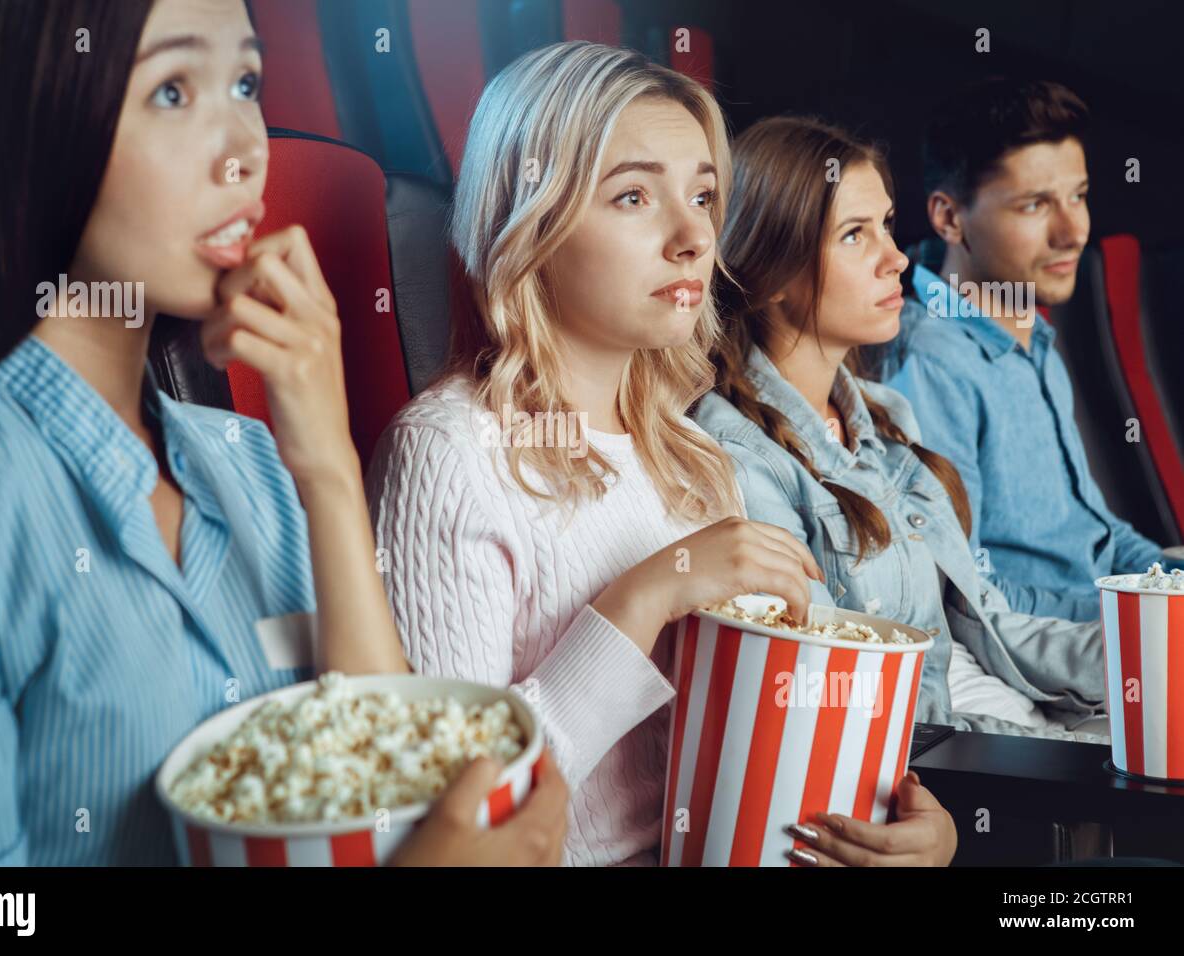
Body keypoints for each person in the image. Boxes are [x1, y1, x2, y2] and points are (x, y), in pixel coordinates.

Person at [0, 0, 566, 867]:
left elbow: (387, 775)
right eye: (173, 91)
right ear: (20, 121)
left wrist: (325, 470)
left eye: (245, 82)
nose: (247, 148)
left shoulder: (254, 464)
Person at [367, 41, 957, 867]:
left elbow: (755, 747)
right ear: (529, 218)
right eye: (635, 195)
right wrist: (643, 598)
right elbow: (453, 818)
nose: (693, 239)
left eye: (705, 197)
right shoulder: (448, 454)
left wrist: (906, 819)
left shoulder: (689, 454)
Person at [694, 116, 1112, 744]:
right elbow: (842, 700)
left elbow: (985, 620)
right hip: (928, 755)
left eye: (885, 225)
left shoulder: (886, 416)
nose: (895, 259)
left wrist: (1136, 655)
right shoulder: (738, 457)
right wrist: (1069, 746)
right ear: (773, 272)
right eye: (855, 235)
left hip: (994, 708)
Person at [875, 78, 1174, 622]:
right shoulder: (932, 364)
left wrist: (1168, 584)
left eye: (1078, 197)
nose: (1074, 232)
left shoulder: (1034, 337)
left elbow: (1096, 533)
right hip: (1059, 655)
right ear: (949, 218)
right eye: (1036, 205)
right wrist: (1133, 616)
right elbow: (965, 594)